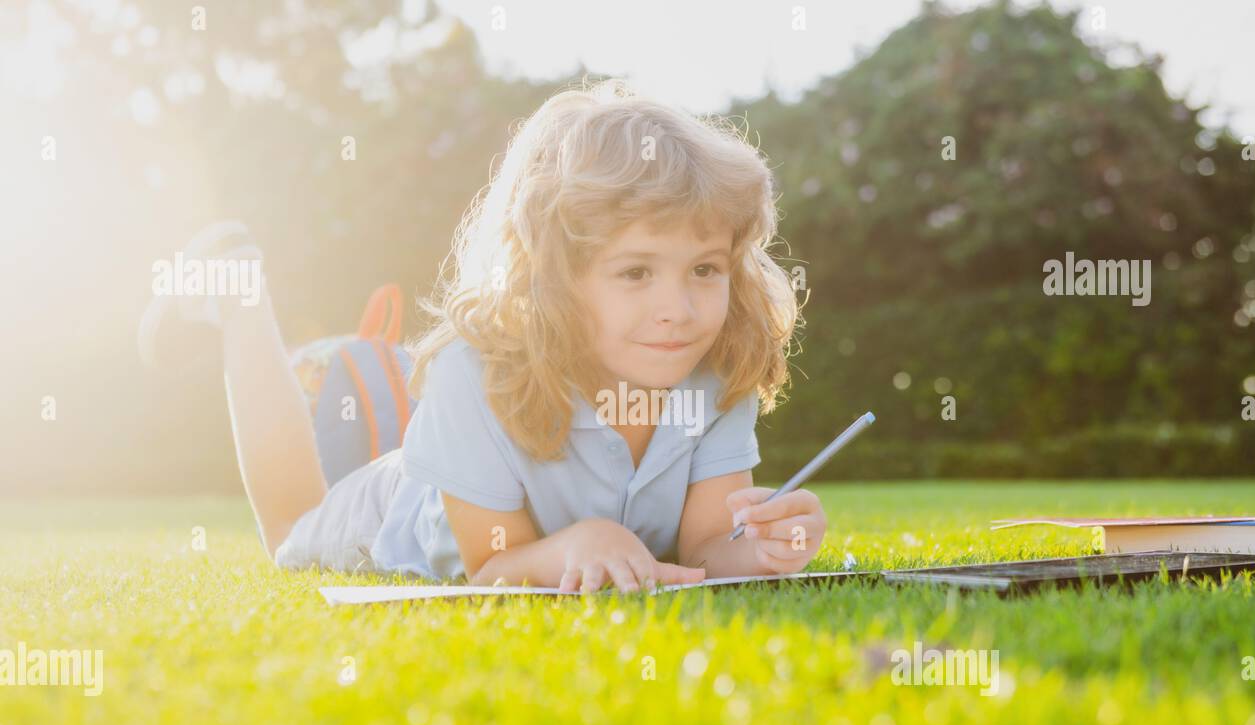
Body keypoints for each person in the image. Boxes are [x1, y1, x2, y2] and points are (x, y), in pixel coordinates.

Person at [137, 78, 825, 593]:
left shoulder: (713, 366)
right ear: (555, 277)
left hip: (456, 449)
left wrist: (766, 545)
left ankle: (362, 377)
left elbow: (707, 548)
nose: (679, 308)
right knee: (292, 531)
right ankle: (242, 296)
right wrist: (581, 541)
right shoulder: (475, 372)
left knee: (402, 420)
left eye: (705, 268)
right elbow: (492, 564)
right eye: (636, 271)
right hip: (398, 507)